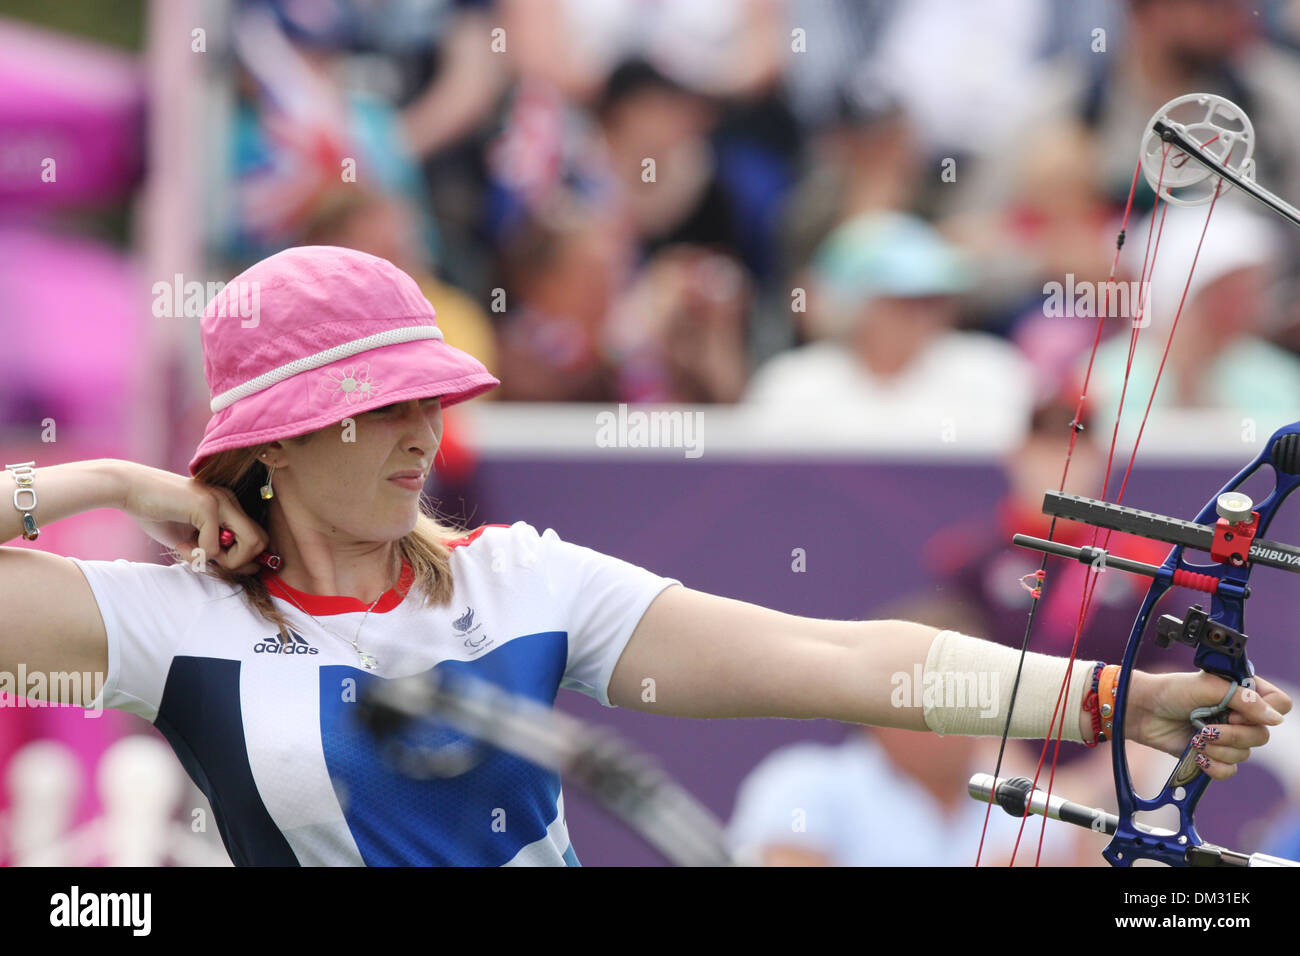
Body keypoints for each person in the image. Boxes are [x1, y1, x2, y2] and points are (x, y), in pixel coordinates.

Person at [0, 246, 1288, 866]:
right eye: (379, 406)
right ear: (274, 440)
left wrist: (1123, 700)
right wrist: (110, 481)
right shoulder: (169, 621)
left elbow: (842, 661)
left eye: (427, 398)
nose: (423, 432)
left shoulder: (522, 580)